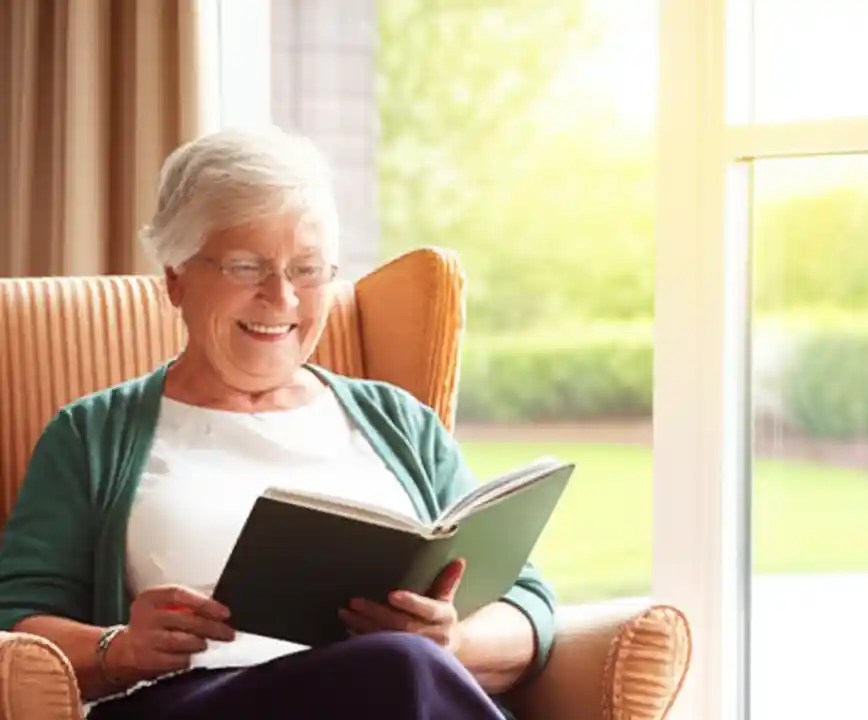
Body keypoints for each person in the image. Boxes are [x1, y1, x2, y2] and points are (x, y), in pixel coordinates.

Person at [0, 127, 555, 719]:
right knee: (399, 666)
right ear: (176, 278)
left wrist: (456, 642)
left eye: (308, 270)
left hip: (397, 691)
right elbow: (17, 626)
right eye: (246, 267)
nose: (282, 297)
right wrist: (121, 650)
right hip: (194, 702)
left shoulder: (398, 422)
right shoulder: (91, 435)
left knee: (403, 666)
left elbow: (526, 602)